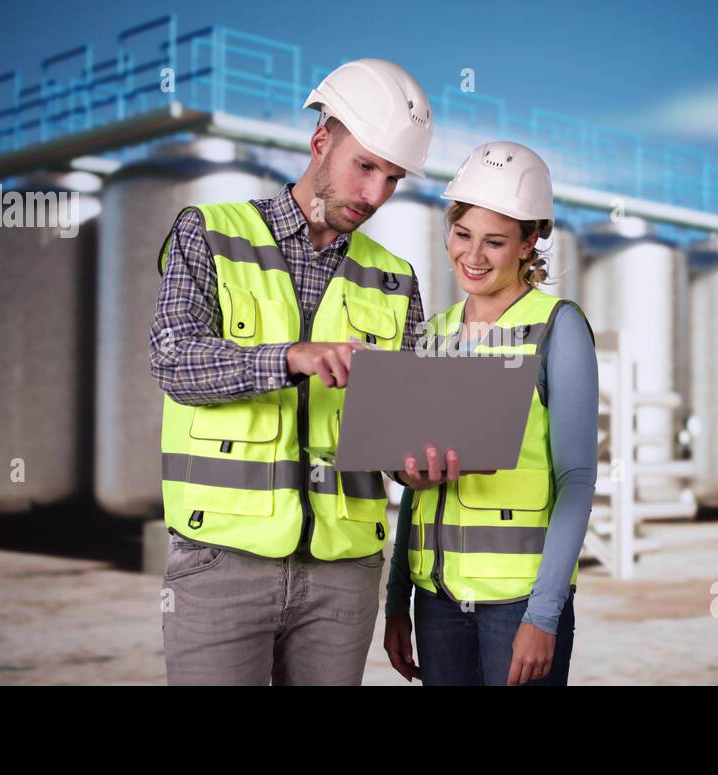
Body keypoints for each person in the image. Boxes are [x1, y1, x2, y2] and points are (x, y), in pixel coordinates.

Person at [148, 58, 438, 685]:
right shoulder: (211, 234)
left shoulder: (395, 279)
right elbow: (173, 359)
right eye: (365, 167)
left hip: (345, 571)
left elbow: (398, 431)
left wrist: (412, 463)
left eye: (392, 179)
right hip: (222, 560)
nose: (374, 196)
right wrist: (287, 358)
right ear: (320, 142)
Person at [382, 141, 599, 685]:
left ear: (530, 241)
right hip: (437, 599)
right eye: (462, 235)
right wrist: (397, 601)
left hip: (517, 602)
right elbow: (416, 484)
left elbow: (576, 478)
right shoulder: (434, 333)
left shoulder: (558, 327)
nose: (473, 256)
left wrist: (544, 613)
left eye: (495, 242)